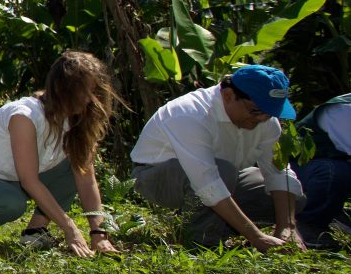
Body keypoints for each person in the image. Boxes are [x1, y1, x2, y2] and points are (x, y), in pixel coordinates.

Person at [0, 50, 120, 256]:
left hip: (8, 180)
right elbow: (29, 181)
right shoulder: (25, 116)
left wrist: (98, 232)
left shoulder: (75, 121)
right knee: (12, 203)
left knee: (73, 168)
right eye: (84, 91)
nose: (90, 99)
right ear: (62, 88)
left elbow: (86, 179)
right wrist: (70, 229)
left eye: (94, 92)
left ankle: (35, 230)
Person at [131, 65, 305, 251]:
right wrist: (257, 237)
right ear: (229, 95)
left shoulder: (264, 120)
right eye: (255, 110)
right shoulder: (190, 112)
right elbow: (208, 183)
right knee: (223, 172)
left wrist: (288, 227)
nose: (263, 119)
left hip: (221, 178)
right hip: (155, 177)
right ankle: (201, 242)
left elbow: (278, 173)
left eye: (269, 112)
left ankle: (224, 228)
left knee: (292, 199)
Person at [289, 92, 351, 250]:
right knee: (334, 172)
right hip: (301, 170)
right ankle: (310, 222)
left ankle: (337, 212)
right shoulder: (344, 110)